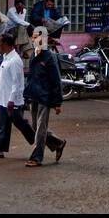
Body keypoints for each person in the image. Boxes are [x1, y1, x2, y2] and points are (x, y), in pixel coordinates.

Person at [0, 32, 35, 159]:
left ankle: (46, 141)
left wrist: (11, 101)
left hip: (12, 101)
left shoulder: (15, 61)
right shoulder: (6, 57)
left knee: (22, 125)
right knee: (2, 126)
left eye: (0, 42)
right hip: (3, 99)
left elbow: (17, 84)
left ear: (6, 44)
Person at [23, 29, 66, 167]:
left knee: (41, 128)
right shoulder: (33, 56)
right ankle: (58, 143)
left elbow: (56, 81)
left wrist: (57, 103)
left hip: (45, 98)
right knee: (36, 127)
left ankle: (37, 157)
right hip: (34, 96)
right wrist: (26, 95)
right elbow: (31, 77)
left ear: (44, 40)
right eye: (34, 38)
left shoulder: (49, 57)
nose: (35, 40)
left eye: (38, 38)